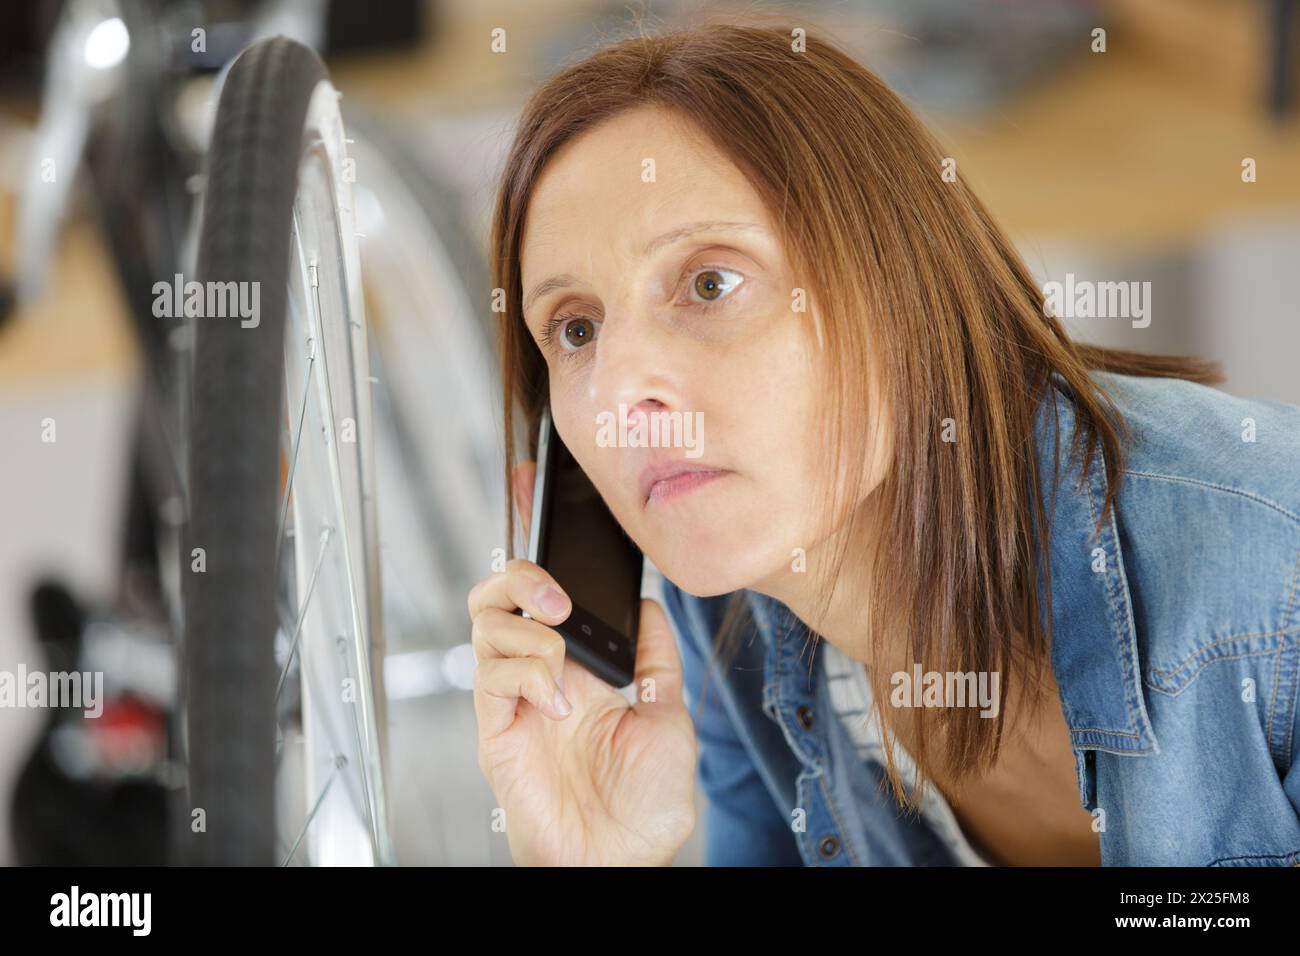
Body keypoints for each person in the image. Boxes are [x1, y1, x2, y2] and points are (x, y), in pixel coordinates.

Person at [466, 19, 1300, 866]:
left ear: (896, 289)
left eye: (711, 283)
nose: (619, 396)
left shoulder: (1272, 578)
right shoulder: (727, 618)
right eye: (575, 331)